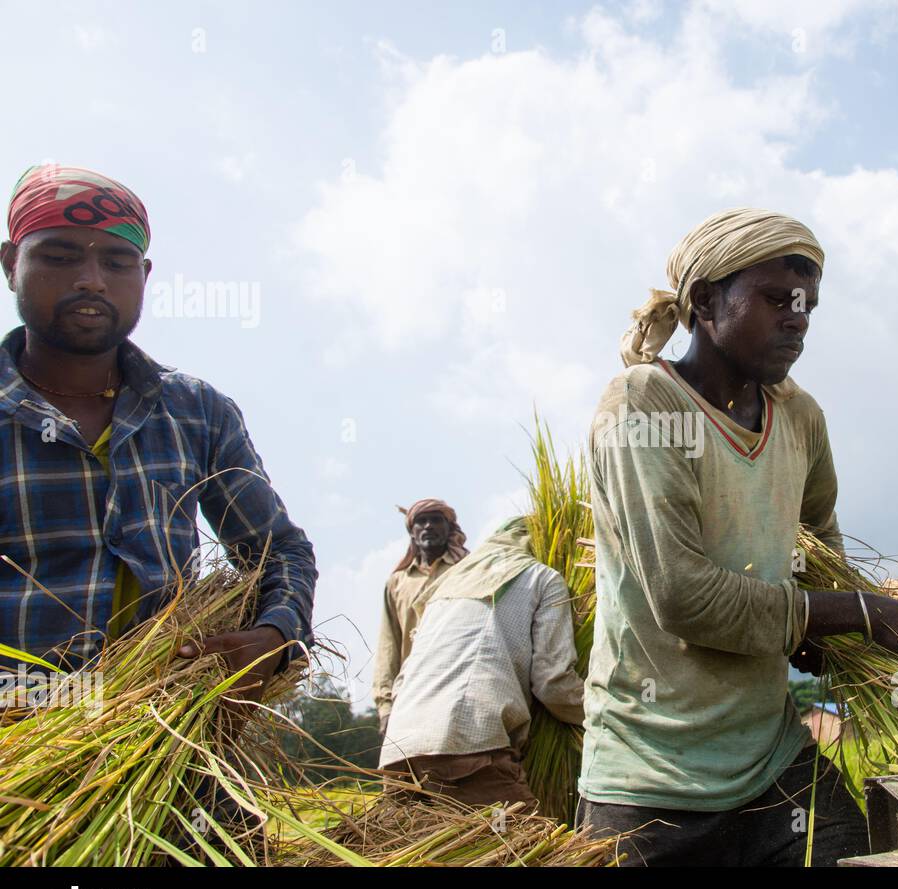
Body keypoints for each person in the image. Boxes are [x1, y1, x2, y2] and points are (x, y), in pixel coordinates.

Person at [578, 207, 898, 866]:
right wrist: (861, 614)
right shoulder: (644, 405)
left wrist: (845, 645)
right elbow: (684, 598)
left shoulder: (799, 417)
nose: (796, 319)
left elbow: (820, 545)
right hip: (651, 777)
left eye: (807, 307)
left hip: (773, 760)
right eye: (775, 300)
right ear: (705, 301)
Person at [0, 163, 316, 705]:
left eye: (116, 262)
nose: (91, 280)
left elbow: (278, 550)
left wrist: (274, 636)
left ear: (144, 276)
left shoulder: (196, 411)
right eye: (60, 256)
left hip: (159, 737)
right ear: (10, 263)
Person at [379, 517, 584, 808]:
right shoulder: (542, 578)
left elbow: (402, 681)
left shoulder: (444, 588)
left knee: (432, 851)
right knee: (522, 849)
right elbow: (553, 684)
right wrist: (607, 711)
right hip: (466, 747)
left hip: (399, 752)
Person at [372, 498, 467, 734]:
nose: (428, 526)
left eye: (436, 520)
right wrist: (385, 707)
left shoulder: (466, 570)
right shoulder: (398, 582)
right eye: (421, 521)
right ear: (412, 532)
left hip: (458, 687)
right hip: (409, 692)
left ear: (449, 528)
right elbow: (388, 645)